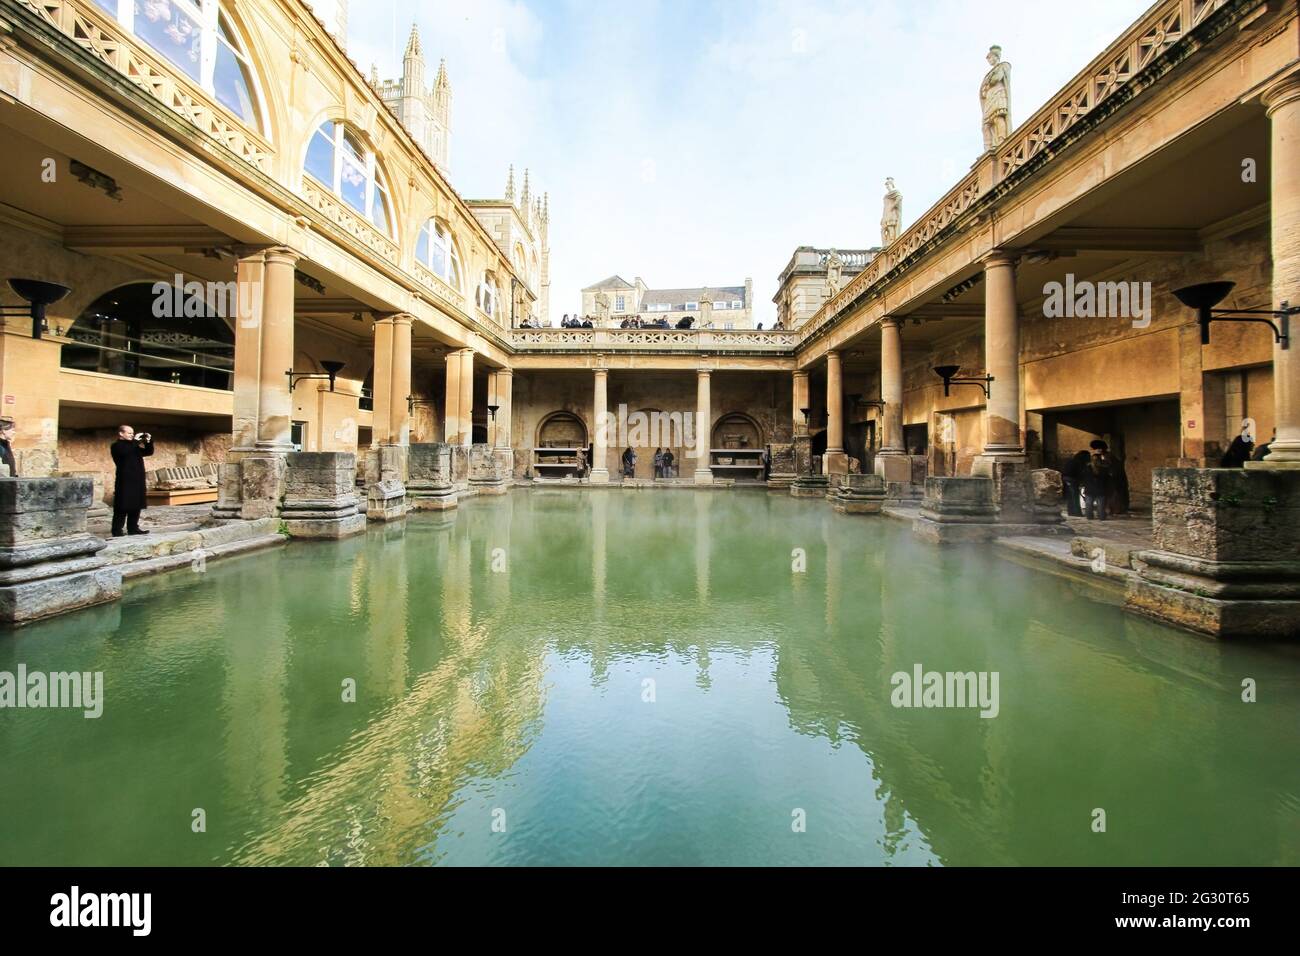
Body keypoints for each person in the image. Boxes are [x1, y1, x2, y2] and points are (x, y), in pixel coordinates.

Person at [111, 424, 154, 536]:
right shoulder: (116, 446)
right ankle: (117, 530)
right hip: (125, 480)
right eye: (129, 433)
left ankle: (133, 528)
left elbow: (148, 452)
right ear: (121, 433)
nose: (132, 435)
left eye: (132, 433)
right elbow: (125, 452)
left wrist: (148, 441)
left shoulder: (133, 446)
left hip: (137, 480)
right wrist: (135, 441)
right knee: (122, 505)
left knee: (136, 504)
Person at [1082, 450, 1111, 521]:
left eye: (1096, 460)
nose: (1095, 461)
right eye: (1094, 460)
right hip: (1094, 489)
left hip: (1096, 489)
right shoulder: (1088, 468)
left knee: (1096, 505)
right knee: (1092, 505)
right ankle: (1094, 516)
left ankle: (1097, 516)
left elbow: (1106, 479)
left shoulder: (1102, 469)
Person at [1060, 449, 1090, 517]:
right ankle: (1077, 512)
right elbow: (1079, 473)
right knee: (1075, 496)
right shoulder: (1078, 462)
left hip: (1067, 478)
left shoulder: (1072, 461)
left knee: (1070, 496)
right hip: (1072, 479)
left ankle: (1071, 512)